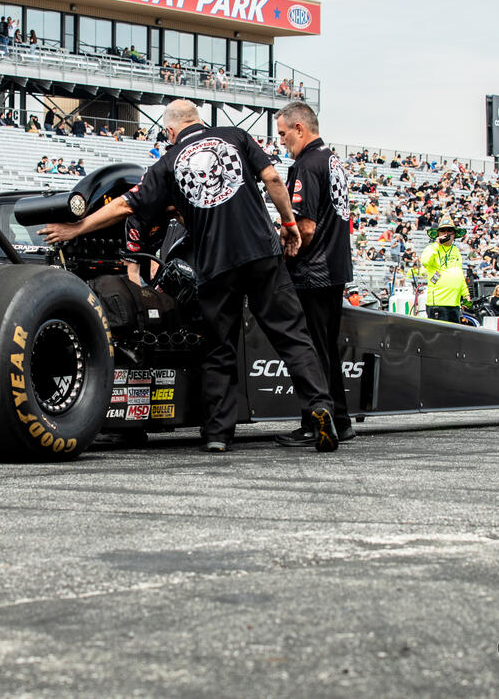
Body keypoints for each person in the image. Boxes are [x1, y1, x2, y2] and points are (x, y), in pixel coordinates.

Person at [39, 98, 340, 453]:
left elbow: (125, 205)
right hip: (261, 253)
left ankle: (217, 435)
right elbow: (273, 178)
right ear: (200, 120)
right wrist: (288, 224)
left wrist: (76, 229)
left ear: (170, 131)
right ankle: (319, 407)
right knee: (292, 336)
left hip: (216, 264)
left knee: (220, 347)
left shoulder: (167, 163)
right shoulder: (236, 136)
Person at [272, 101, 358, 448]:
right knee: (325, 350)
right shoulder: (332, 159)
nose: (281, 142)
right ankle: (340, 419)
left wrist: (284, 254)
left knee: (310, 352)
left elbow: (304, 227)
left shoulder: (307, 165)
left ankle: (315, 422)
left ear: (299, 129)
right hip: (335, 268)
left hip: (312, 271)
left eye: (282, 134)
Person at [419, 216, 468, 323]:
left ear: (454, 234)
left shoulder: (456, 250)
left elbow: (459, 273)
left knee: (454, 336)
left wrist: (466, 293)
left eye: (449, 230)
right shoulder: (432, 248)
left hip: (454, 303)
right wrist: (437, 244)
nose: (446, 233)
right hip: (438, 303)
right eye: (443, 231)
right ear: (438, 234)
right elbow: (425, 261)